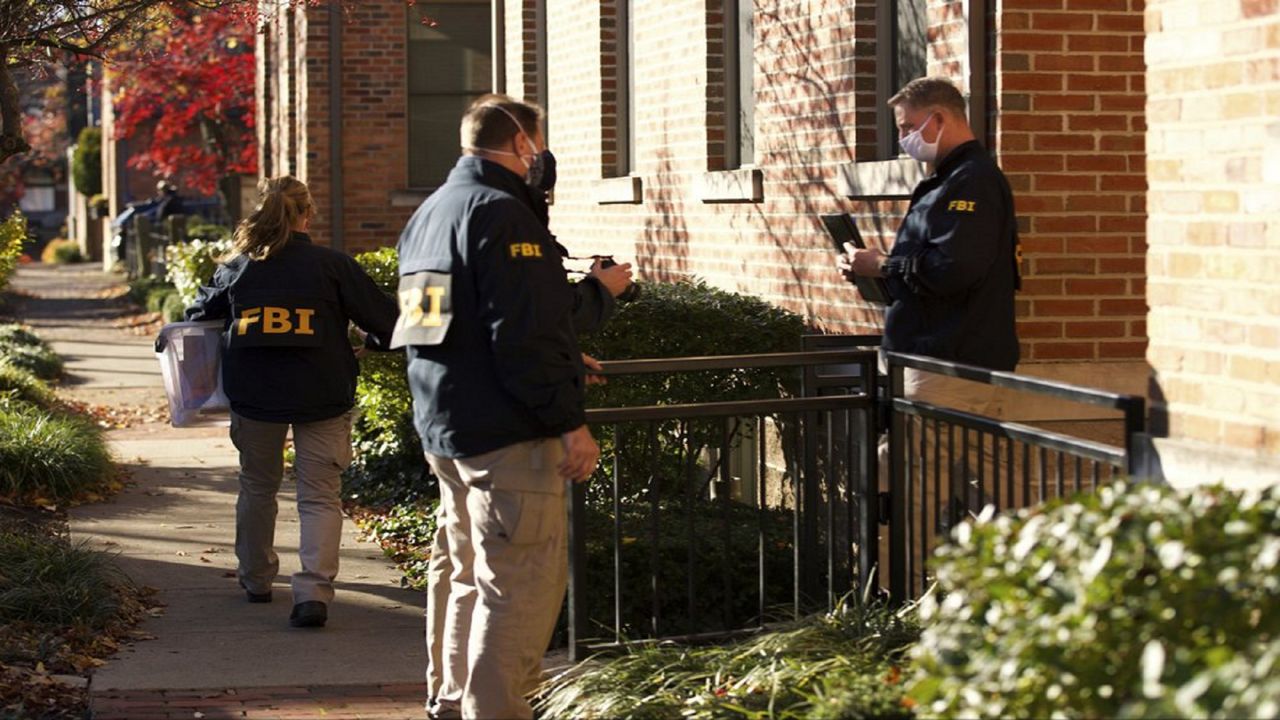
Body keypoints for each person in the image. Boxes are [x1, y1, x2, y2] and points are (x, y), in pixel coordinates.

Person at [395, 94, 600, 720]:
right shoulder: (502, 214)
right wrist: (570, 420)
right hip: (507, 438)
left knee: (464, 575)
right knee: (518, 589)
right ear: (521, 145)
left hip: (446, 429)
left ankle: (451, 700)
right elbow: (524, 333)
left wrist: (565, 363)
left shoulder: (430, 212)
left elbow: (436, 326)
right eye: (536, 144)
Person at [185, 176, 399, 629]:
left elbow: (196, 320)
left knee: (257, 487)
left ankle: (257, 579)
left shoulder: (238, 269)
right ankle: (313, 594)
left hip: (254, 394)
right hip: (322, 394)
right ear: (307, 214)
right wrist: (370, 342)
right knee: (320, 496)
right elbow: (389, 323)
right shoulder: (333, 267)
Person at [837, 76, 1021, 573]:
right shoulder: (944, 180)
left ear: (938, 119)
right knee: (952, 487)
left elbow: (953, 270)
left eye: (908, 127)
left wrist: (883, 266)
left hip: (948, 363)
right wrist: (869, 271)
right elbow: (927, 274)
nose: (904, 139)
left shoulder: (973, 181)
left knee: (914, 487)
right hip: (929, 358)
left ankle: (907, 602)